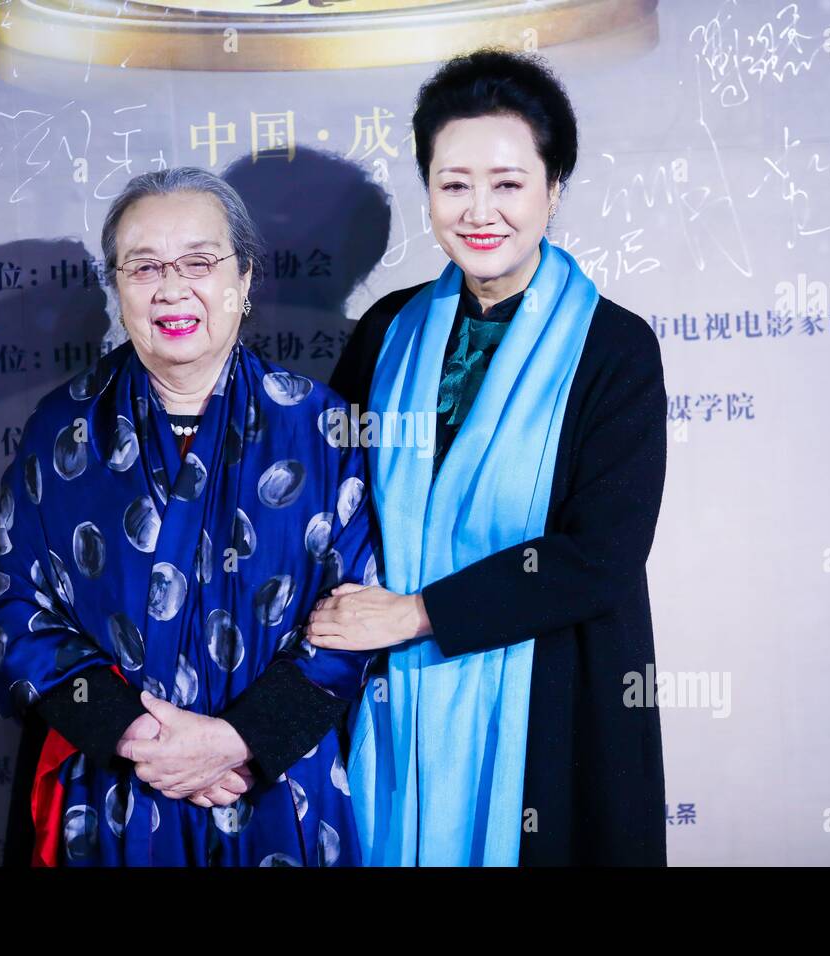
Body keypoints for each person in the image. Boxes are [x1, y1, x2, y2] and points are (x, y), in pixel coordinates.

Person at [310, 48, 670, 866]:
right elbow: (328, 512)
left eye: (508, 183)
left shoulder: (614, 347)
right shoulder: (385, 334)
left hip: (553, 706)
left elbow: (600, 555)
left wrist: (417, 613)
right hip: (389, 708)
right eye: (454, 183)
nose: (481, 210)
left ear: (554, 189)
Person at [0, 167, 380, 866]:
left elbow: (355, 618)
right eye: (144, 267)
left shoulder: (322, 428)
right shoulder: (63, 428)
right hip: (117, 787)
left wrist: (238, 743)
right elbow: (20, 611)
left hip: (275, 790)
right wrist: (147, 742)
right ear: (118, 286)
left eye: (199, 263)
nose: (172, 289)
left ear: (245, 278)